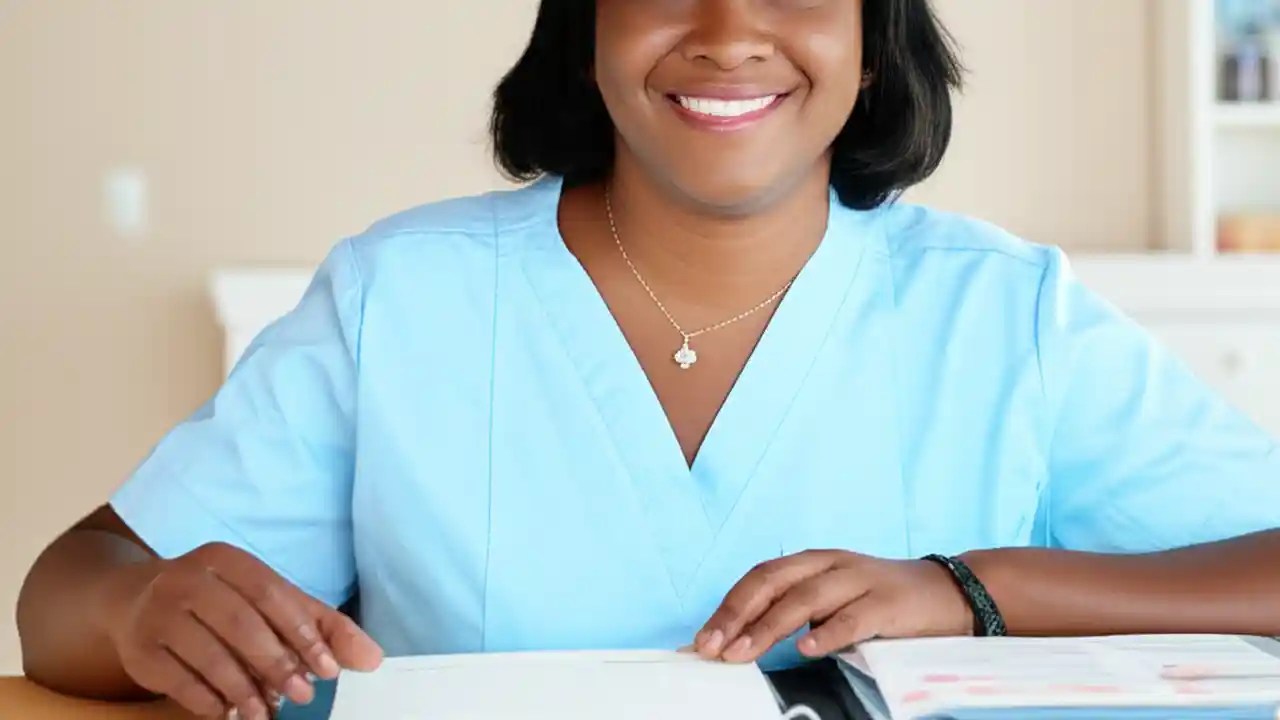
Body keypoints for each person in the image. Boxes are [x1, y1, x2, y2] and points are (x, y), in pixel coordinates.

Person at [17, 0, 1280, 718]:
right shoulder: (400, 296)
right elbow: (69, 591)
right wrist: (137, 610)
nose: (727, 32)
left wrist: (974, 588)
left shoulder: (1005, 313)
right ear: (584, 23)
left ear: (872, 32)